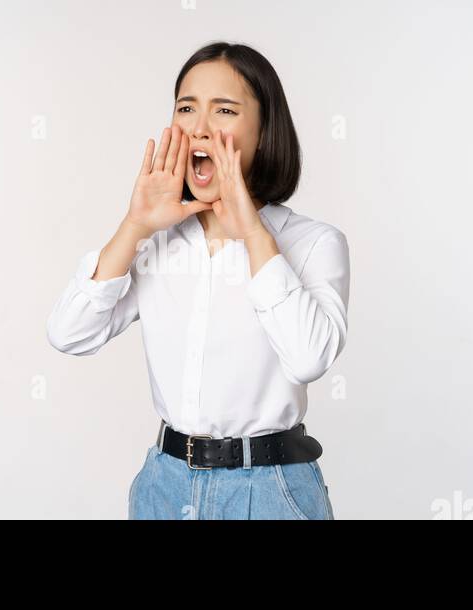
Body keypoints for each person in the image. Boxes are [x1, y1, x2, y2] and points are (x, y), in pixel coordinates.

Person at [47, 42, 350, 520]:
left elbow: (309, 357)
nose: (200, 128)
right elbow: (69, 333)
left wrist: (252, 232)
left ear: (264, 129)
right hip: (165, 486)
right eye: (186, 108)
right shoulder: (157, 241)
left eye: (224, 110)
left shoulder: (314, 242)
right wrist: (134, 225)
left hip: (271, 490)